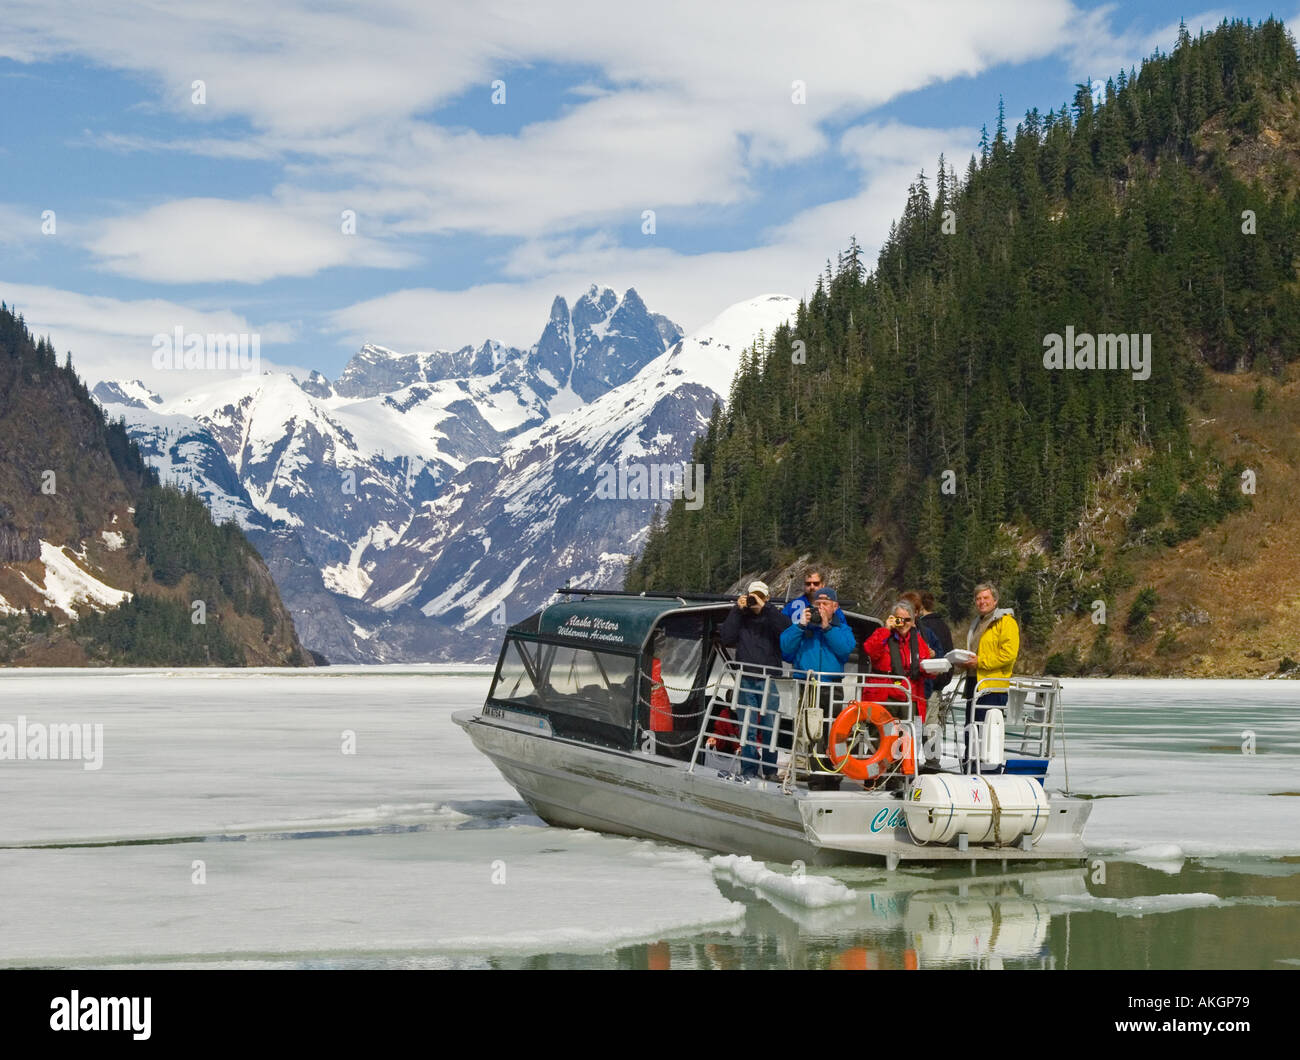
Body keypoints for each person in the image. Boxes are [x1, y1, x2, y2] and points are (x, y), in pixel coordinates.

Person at [779, 587, 855, 789]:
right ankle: (816, 777)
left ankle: (832, 776)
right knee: (811, 733)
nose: (820, 608)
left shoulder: (841, 628)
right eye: (817, 604)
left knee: (834, 732)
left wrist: (827, 627)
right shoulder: (803, 628)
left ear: (835, 607)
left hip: (832, 687)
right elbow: (786, 650)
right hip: (808, 686)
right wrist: (800, 626)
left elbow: (845, 650)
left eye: (825, 604)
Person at [719, 580, 790, 779]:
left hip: (769, 678)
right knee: (747, 727)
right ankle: (748, 769)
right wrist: (736, 610)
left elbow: (786, 629)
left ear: (767, 598)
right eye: (752, 595)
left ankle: (769, 770)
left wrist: (765, 607)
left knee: (769, 726)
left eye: (759, 595)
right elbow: (726, 637)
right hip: (746, 678)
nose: (754, 599)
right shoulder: (741, 617)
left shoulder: (773, 616)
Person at [954, 582, 1020, 771]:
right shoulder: (978, 622)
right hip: (974, 683)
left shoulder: (1006, 622)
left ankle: (990, 771)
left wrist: (980, 662)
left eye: (985, 598)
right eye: (978, 599)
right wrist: (964, 662)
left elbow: (1008, 655)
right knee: (971, 730)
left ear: (995, 600)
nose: (981, 602)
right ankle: (971, 770)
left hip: (993, 686)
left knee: (989, 733)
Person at [861, 599, 933, 721]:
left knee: (912, 733)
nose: (904, 624)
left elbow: (925, 666)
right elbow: (870, 651)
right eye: (900, 620)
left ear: (913, 621)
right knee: (887, 734)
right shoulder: (882, 634)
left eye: (908, 620)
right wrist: (886, 629)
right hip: (886, 695)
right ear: (893, 619)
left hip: (911, 694)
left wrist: (933, 670)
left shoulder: (918, 641)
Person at [916, 590, 955, 697]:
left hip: (927, 682)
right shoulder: (943, 625)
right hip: (942, 679)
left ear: (921, 606)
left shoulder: (923, 627)